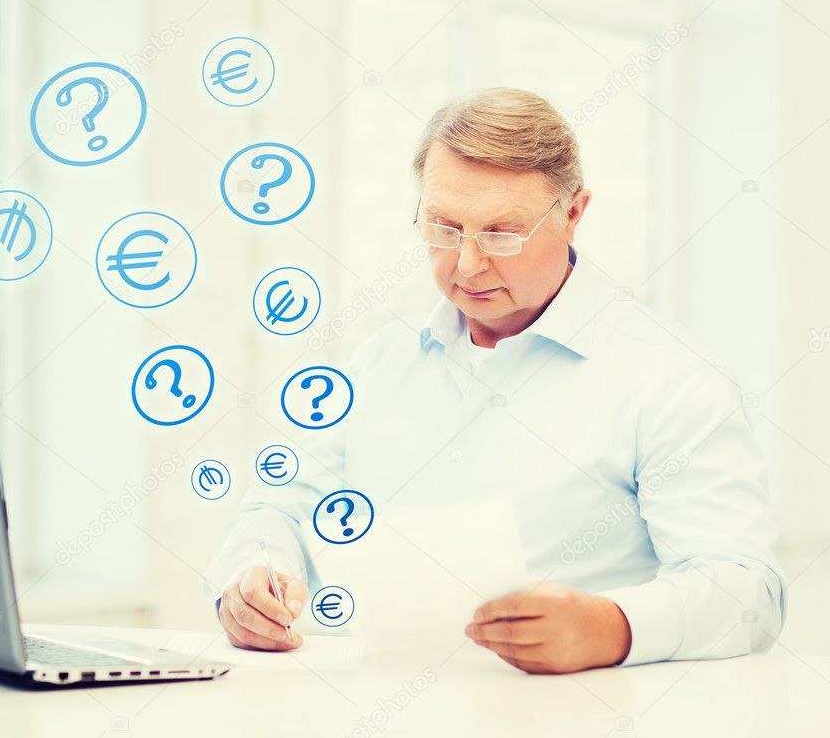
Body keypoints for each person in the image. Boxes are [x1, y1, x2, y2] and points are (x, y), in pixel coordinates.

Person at [204, 87, 786, 673]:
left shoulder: (671, 378)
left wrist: (611, 627)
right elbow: (277, 508)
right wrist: (251, 580)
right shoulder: (380, 360)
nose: (468, 264)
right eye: (444, 228)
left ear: (574, 213)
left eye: (503, 234)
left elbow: (747, 593)